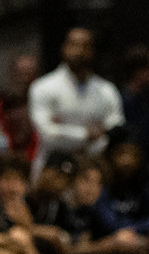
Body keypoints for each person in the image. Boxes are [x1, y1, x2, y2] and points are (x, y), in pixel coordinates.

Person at [28, 27, 123, 160]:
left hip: (94, 162)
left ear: (93, 51)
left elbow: (115, 129)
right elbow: (46, 133)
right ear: (63, 48)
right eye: (74, 45)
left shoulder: (107, 90)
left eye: (85, 46)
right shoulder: (42, 87)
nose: (79, 51)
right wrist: (86, 135)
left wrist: (63, 130)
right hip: (54, 163)